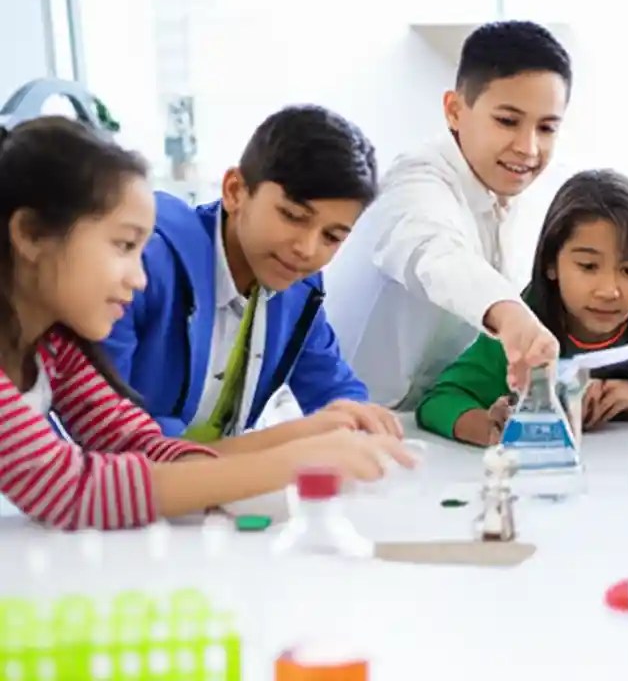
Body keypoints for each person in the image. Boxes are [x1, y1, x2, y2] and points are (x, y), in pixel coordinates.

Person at [0, 118, 412, 530]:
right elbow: (72, 489)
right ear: (32, 235)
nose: (137, 277)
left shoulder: (55, 349)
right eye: (125, 246)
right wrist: (287, 461)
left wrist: (306, 434)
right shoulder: (160, 269)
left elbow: (144, 449)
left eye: (332, 236)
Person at [103, 105, 400, 449]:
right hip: (135, 489)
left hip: (214, 490)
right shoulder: (142, 266)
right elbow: (109, 431)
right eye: (292, 216)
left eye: (332, 237)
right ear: (235, 191)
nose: (307, 248)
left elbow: (330, 384)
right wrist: (277, 446)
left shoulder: (298, 287)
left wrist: (358, 417)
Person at [324, 20, 572, 409]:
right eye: (507, 121)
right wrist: (510, 317)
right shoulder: (414, 180)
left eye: (546, 128)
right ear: (455, 111)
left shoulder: (515, 196)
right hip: (351, 419)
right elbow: (435, 252)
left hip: (436, 422)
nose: (528, 147)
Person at [418, 169, 628, 445]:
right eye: (588, 266)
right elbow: (439, 400)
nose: (609, 291)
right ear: (551, 264)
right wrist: (491, 427)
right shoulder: (523, 324)